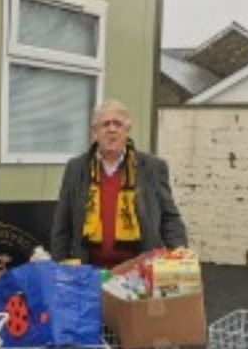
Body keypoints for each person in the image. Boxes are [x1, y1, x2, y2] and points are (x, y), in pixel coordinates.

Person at [51, 98, 187, 268]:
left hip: (140, 268)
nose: (112, 129)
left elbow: (169, 217)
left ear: (127, 130)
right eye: (105, 124)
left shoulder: (152, 168)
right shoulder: (76, 168)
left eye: (118, 124)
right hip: (88, 269)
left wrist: (179, 250)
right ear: (95, 131)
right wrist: (58, 269)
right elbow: (62, 223)